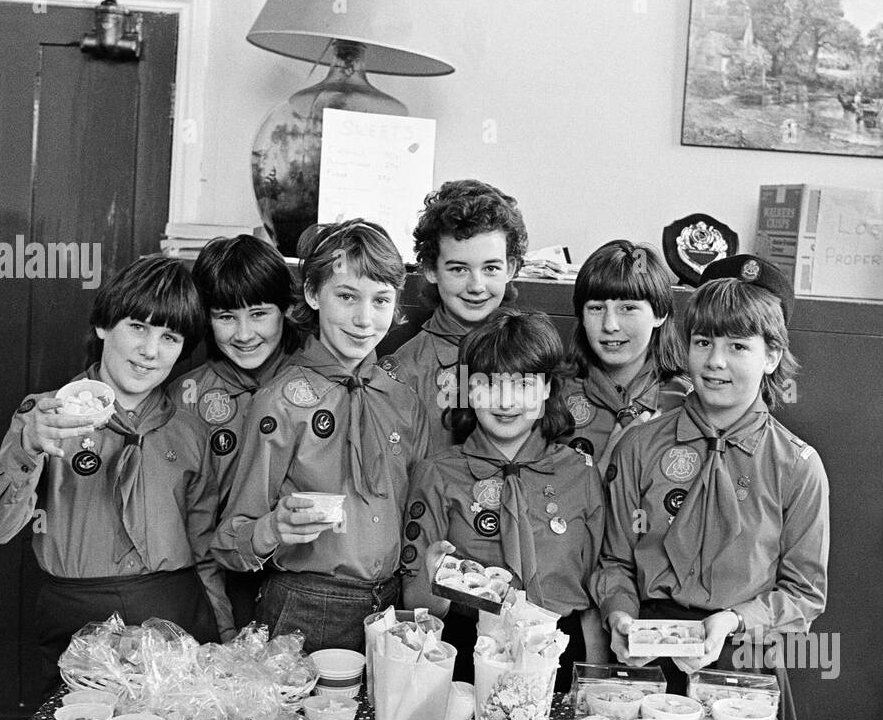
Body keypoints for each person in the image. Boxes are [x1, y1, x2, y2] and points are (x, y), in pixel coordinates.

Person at [592, 255, 829, 720]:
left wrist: (735, 621)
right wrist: (619, 613)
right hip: (648, 654)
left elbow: (805, 595)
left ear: (771, 356)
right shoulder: (641, 445)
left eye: (738, 346)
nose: (715, 362)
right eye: (703, 342)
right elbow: (614, 559)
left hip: (740, 664)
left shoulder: (798, 466)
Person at [0, 256, 223, 686]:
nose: (149, 351)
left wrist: (223, 633)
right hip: (77, 616)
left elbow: (204, 546)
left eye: (170, 337)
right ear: (104, 325)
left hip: (175, 612)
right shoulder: (46, 413)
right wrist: (27, 449)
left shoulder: (190, 428)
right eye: (137, 327)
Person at [211, 219, 429, 654]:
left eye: (381, 300)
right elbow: (229, 542)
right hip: (302, 604)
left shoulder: (402, 401)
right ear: (313, 294)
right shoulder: (281, 401)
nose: (364, 319)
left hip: (390, 607)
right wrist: (274, 526)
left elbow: (419, 515)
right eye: (346, 297)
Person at [403, 310, 605, 687]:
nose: (507, 401)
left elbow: (594, 586)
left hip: (558, 647)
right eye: (490, 384)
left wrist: (593, 679)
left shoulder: (580, 472)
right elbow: (417, 606)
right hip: (466, 648)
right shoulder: (437, 473)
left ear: (546, 389)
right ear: (466, 388)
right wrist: (433, 579)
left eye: (525, 384)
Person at [169, 234, 300, 638]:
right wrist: (221, 623)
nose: (243, 334)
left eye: (259, 314)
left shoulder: (318, 381)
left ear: (288, 309)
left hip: (306, 581)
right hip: (218, 584)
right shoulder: (185, 399)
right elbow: (192, 531)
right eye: (226, 317)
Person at [387, 179, 528, 449]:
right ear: (431, 269)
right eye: (459, 269)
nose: (476, 286)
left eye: (490, 269)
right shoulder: (404, 373)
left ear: (510, 268)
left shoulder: (530, 357)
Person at [560, 240, 692, 472]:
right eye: (596, 308)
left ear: (660, 314)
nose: (610, 325)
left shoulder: (687, 400)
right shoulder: (552, 393)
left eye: (628, 308)